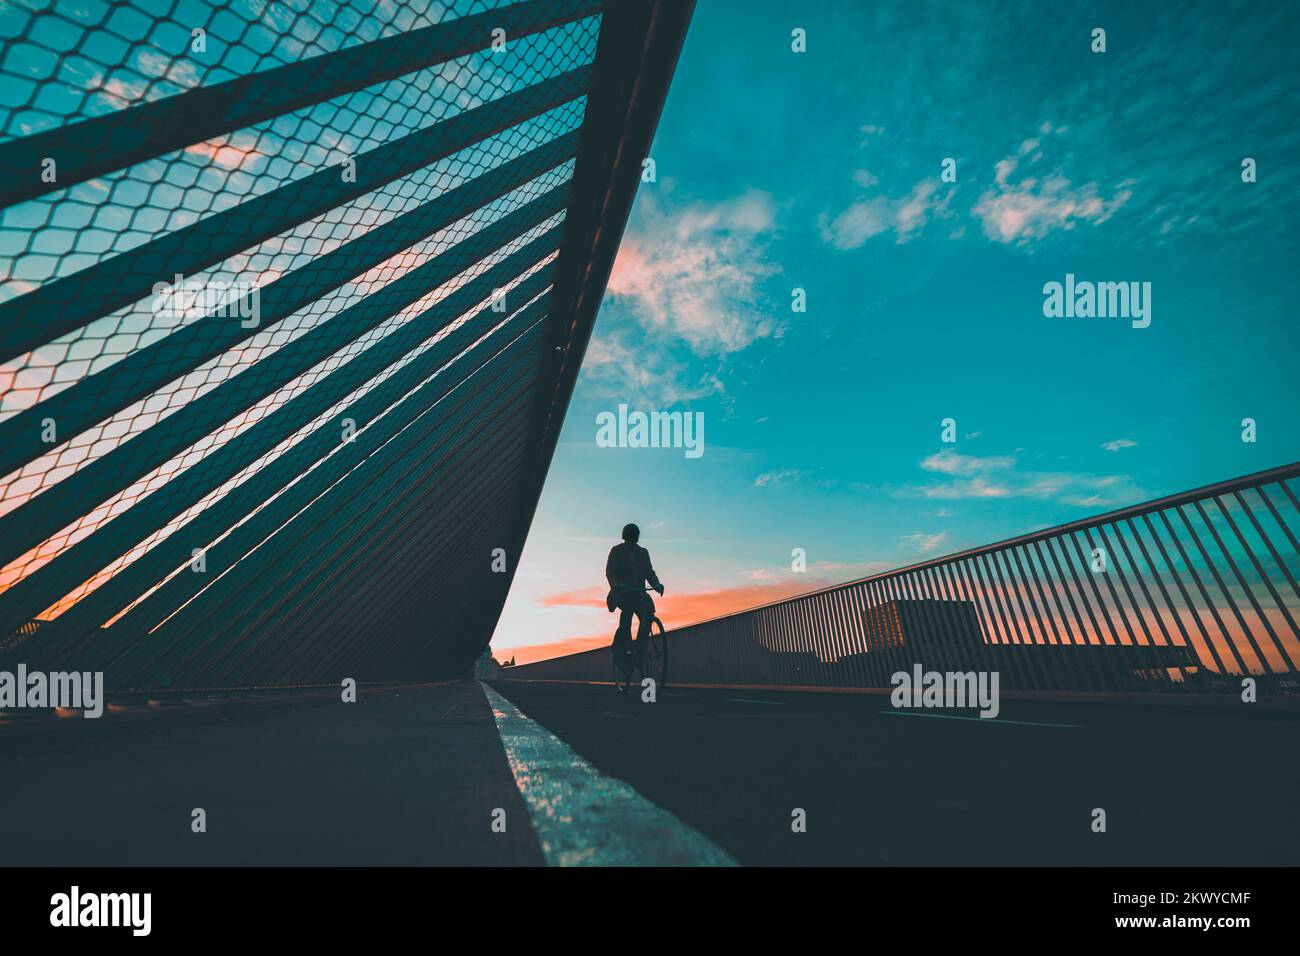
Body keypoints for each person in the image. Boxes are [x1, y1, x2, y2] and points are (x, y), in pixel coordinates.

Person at [605, 523, 664, 666]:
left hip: (639, 594)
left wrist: (656, 584)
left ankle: (639, 650)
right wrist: (615, 586)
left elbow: (649, 572)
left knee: (648, 615)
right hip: (623, 593)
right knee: (627, 615)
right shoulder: (617, 551)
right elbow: (610, 572)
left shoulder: (643, 552)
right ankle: (625, 649)